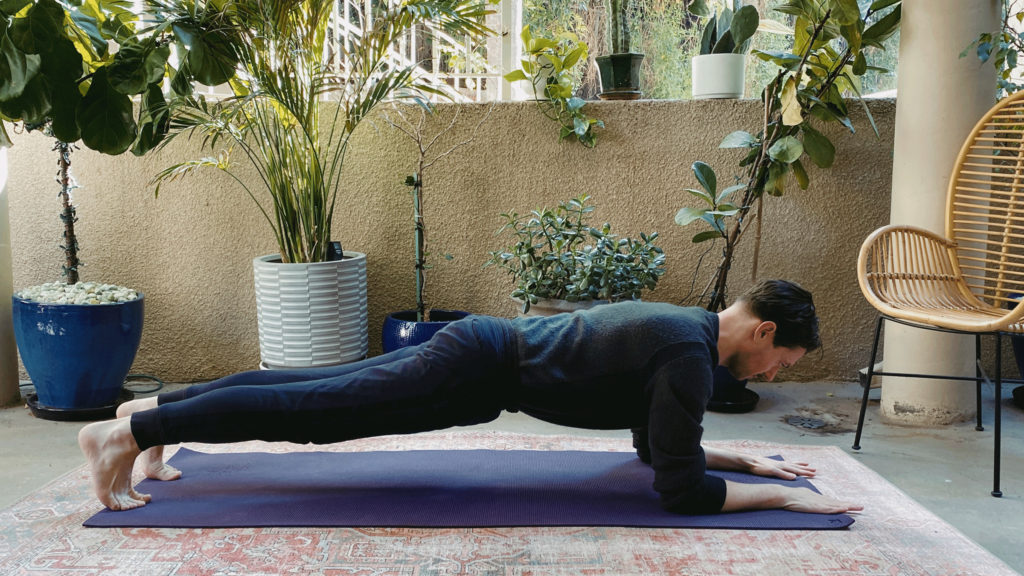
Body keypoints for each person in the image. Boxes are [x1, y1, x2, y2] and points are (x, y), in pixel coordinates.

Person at [79, 279, 863, 516]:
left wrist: (745, 457)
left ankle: (154, 420)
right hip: (473, 363)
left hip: (476, 374)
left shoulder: (685, 335)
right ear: (760, 333)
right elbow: (678, 487)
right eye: (781, 361)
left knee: (311, 396)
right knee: (316, 405)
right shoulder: (691, 358)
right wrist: (785, 503)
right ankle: (129, 432)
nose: (770, 377)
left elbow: (657, 446)